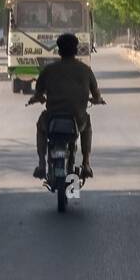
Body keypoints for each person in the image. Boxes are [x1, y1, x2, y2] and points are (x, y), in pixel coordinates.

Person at [31, 32, 104, 180]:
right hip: (77, 120)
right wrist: (97, 100)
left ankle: (41, 164)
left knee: (40, 125)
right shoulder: (85, 70)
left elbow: (38, 93)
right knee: (87, 124)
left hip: (52, 119)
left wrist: (38, 98)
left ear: (58, 50)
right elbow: (96, 94)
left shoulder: (48, 70)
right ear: (76, 50)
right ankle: (86, 164)